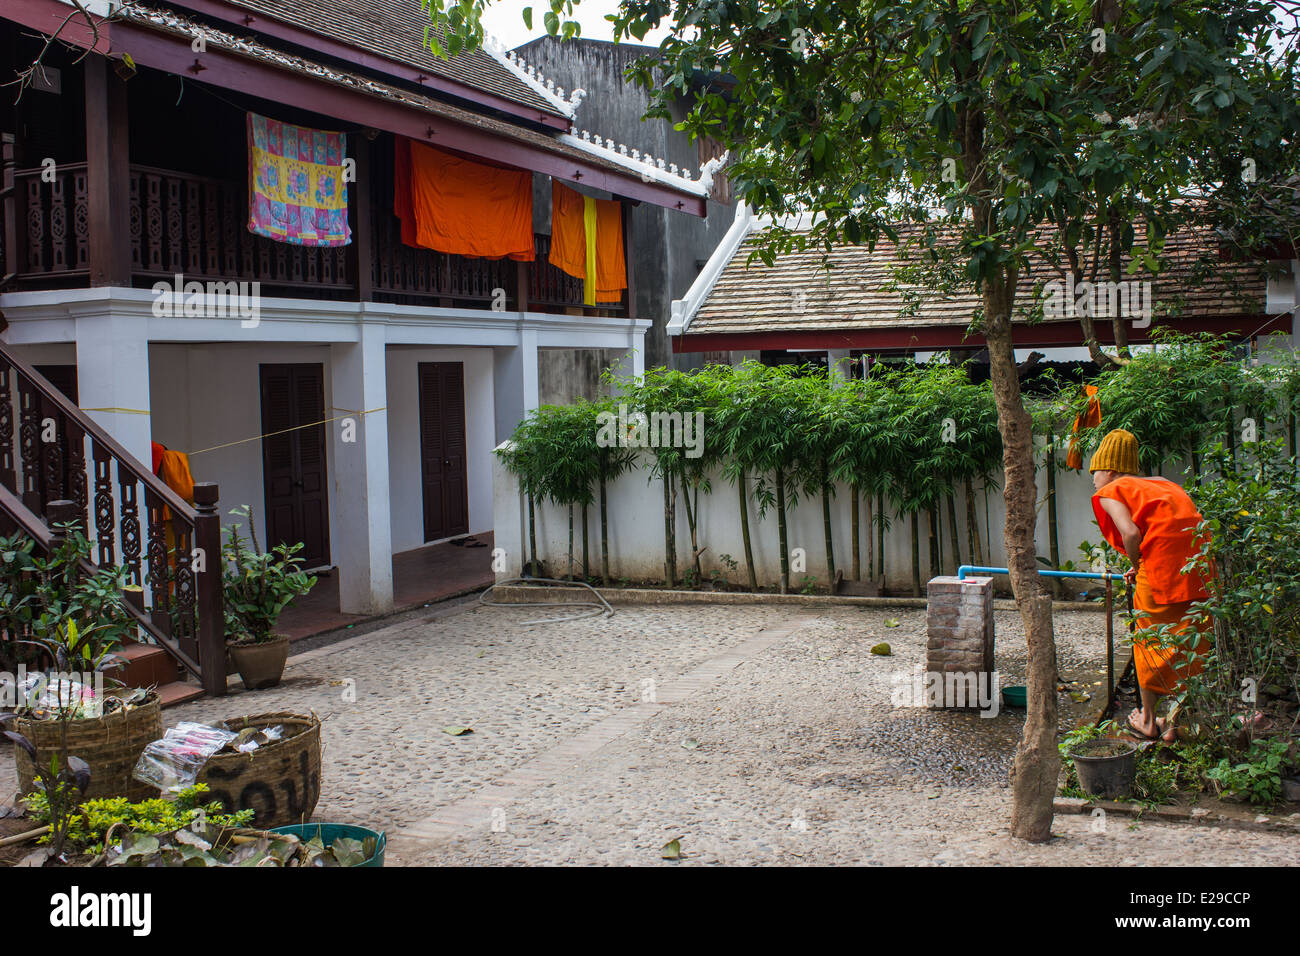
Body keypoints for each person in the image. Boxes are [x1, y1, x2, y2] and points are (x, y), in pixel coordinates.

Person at [1089, 429, 1210, 742]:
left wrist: (1137, 565)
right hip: (1198, 575)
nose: (1093, 480)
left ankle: (1147, 720)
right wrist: (1144, 564)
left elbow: (1130, 534)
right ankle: (1175, 724)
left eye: (1095, 472)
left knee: (1149, 645)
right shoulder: (1164, 484)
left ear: (1111, 471)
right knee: (1188, 646)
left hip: (1160, 579)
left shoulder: (1113, 490)